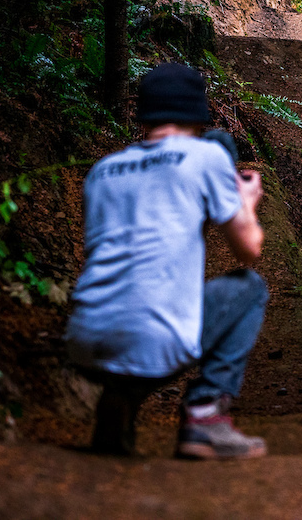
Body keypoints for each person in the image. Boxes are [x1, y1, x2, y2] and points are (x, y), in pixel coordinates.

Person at [65, 62, 269, 460]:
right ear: (198, 112)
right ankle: (206, 415)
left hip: (85, 340)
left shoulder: (103, 171)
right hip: (151, 337)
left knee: (136, 308)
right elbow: (249, 249)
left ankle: (118, 404)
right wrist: (245, 202)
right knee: (249, 288)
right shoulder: (205, 156)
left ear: (143, 113)